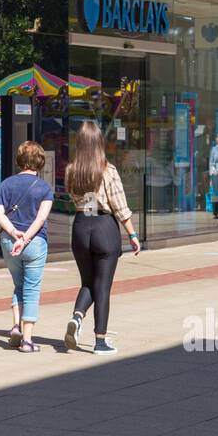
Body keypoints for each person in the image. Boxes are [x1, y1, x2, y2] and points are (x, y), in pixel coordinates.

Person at [64, 122, 141, 355]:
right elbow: (120, 207)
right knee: (103, 287)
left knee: (88, 281)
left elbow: (75, 198)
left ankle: (77, 318)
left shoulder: (71, 170)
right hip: (104, 227)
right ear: (98, 143)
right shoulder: (108, 170)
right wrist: (133, 234)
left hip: (80, 227)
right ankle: (100, 340)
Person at [0, 141, 55, 353]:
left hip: (9, 242)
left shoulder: (6, 184)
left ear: (19, 161)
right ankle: (27, 340)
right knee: (32, 289)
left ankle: (15, 325)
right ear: (40, 161)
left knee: (18, 284)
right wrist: (25, 238)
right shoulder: (45, 188)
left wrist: (13, 234)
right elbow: (40, 219)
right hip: (34, 243)